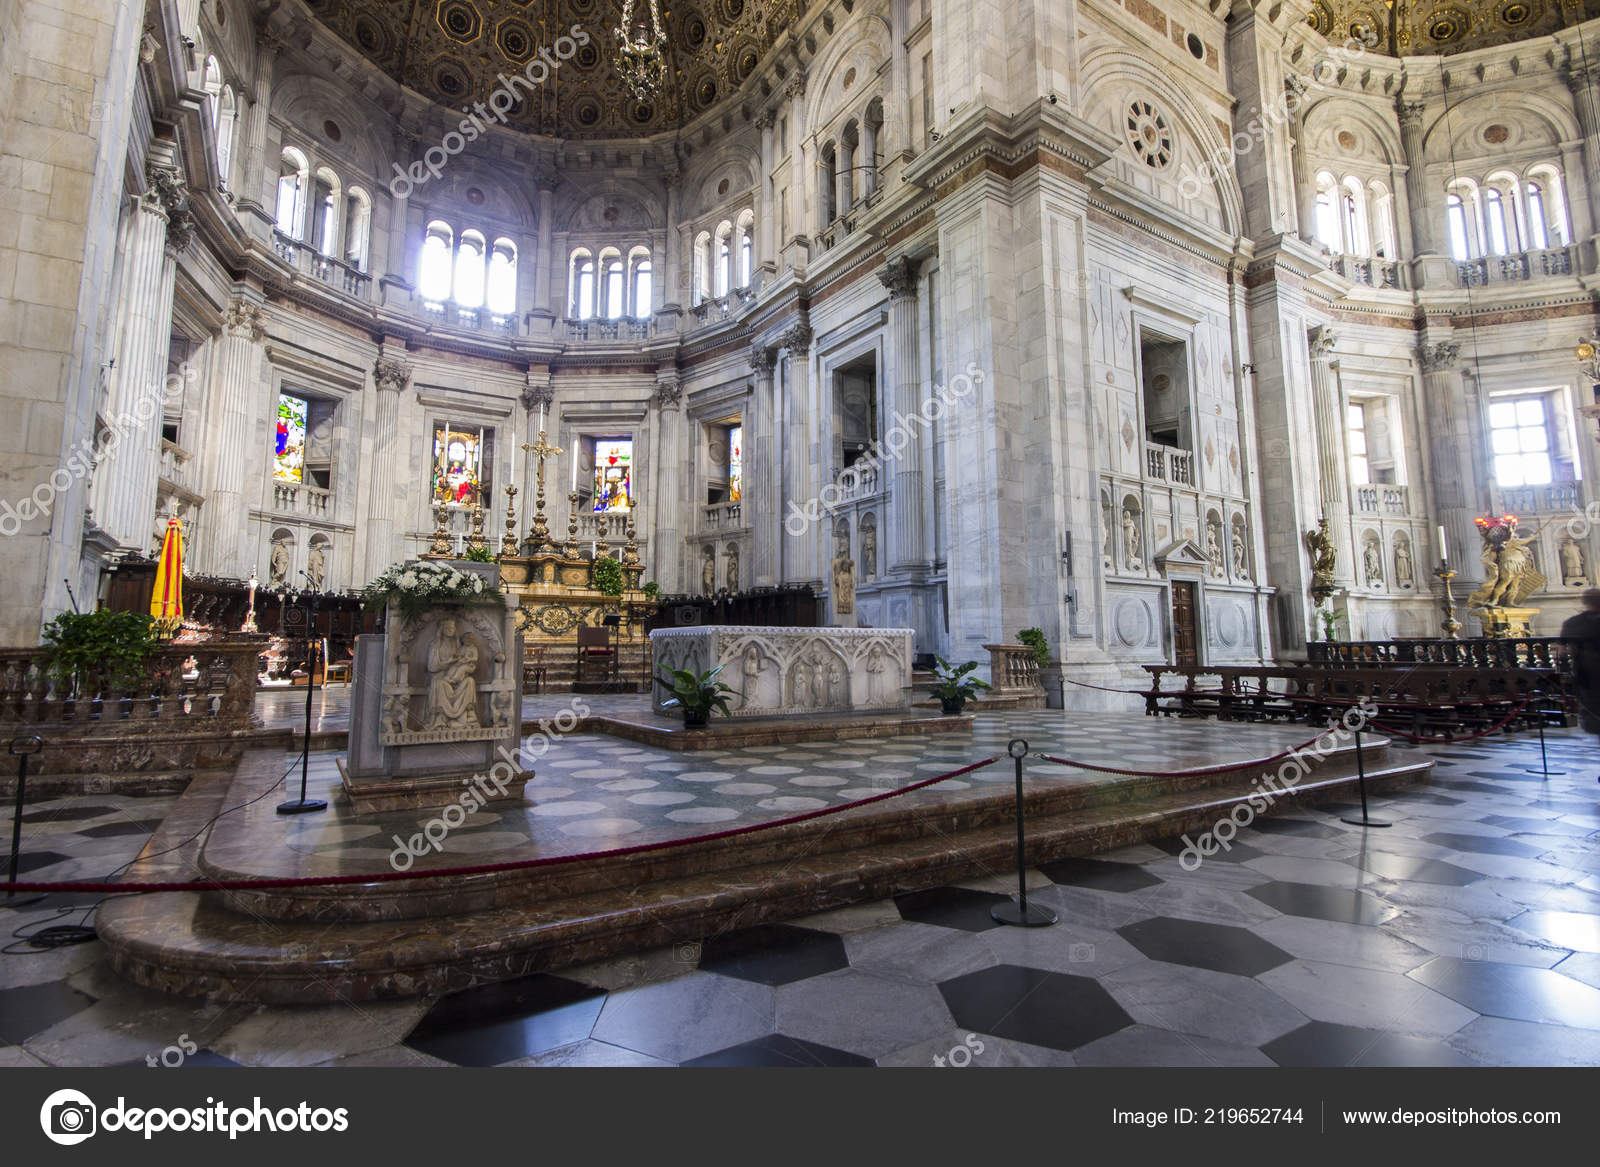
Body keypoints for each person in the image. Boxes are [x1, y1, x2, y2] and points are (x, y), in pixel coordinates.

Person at [1559, 587, 1600, 776]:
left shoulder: (1574, 623)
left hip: (1586, 677)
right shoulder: (1576, 623)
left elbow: (1562, 650)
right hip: (1589, 678)